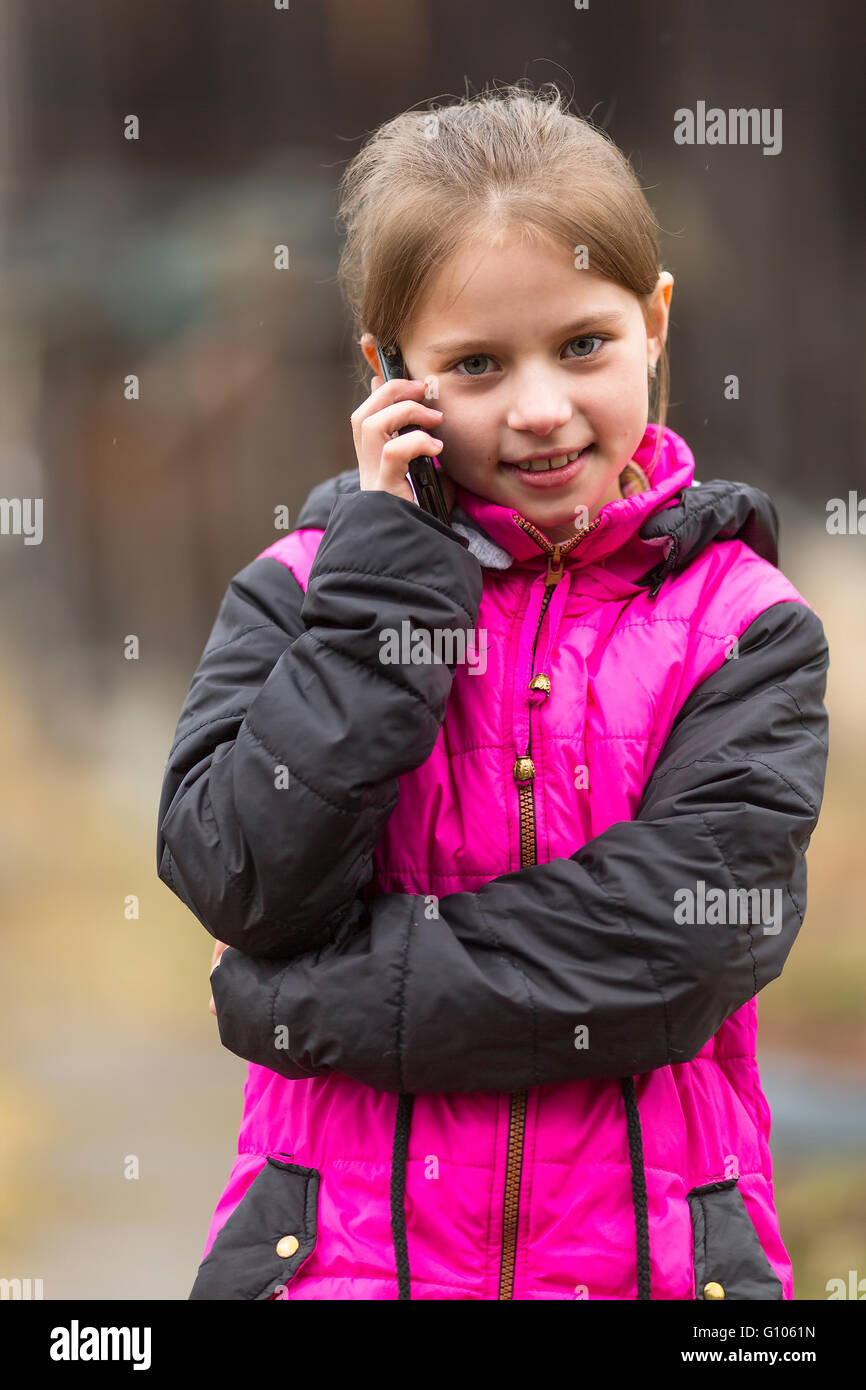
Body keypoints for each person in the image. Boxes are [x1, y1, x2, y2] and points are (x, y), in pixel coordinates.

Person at [156, 82, 829, 1300]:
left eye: (581, 344)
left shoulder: (744, 629)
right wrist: (383, 602)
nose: (537, 409)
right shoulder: (301, 595)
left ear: (653, 319)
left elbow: (673, 941)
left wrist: (300, 996)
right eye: (473, 365)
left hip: (649, 1267)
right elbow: (239, 872)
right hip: (343, 1265)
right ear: (389, 377)